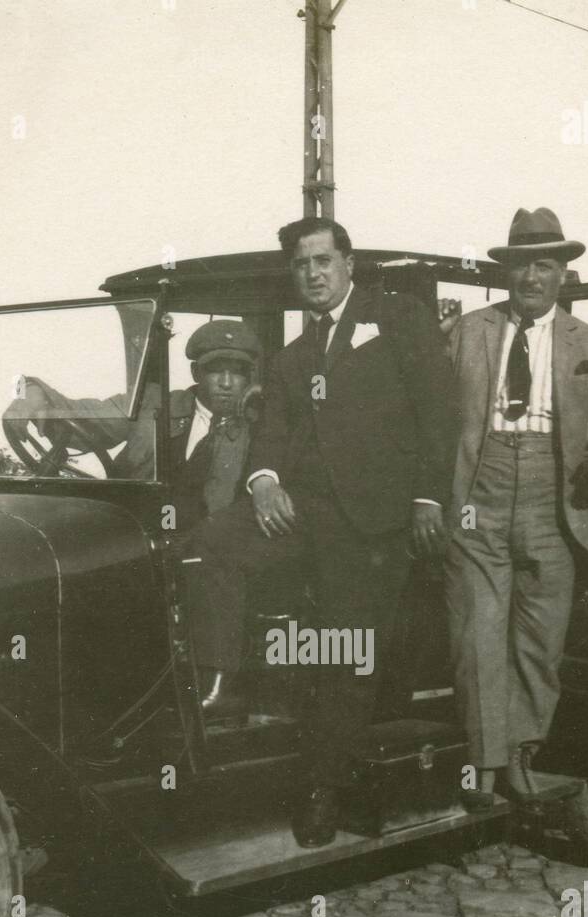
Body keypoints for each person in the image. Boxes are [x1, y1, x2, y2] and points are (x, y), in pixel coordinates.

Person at [187, 215, 455, 847]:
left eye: (322, 261)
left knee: (344, 649)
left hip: (375, 526)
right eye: (301, 265)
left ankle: (322, 789)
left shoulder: (398, 320)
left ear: (348, 263)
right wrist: (264, 482)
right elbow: (271, 435)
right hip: (301, 514)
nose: (312, 274)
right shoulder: (291, 357)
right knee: (209, 542)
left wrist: (426, 499)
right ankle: (221, 683)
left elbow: (439, 410)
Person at [443, 207, 588, 807]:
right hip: (478, 489)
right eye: (521, 265)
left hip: (555, 499)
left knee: (538, 636)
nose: (531, 277)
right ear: (506, 272)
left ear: (562, 274)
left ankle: (522, 757)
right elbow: (420, 403)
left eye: (544, 265)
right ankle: (482, 763)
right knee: (476, 631)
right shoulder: (465, 332)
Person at [2, 319, 261, 524]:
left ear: (249, 378)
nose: (226, 382)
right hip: (133, 531)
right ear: (196, 372)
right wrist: (32, 394)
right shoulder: (151, 403)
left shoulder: (261, 427)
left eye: (237, 371)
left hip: (206, 548)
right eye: (216, 369)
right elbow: (83, 419)